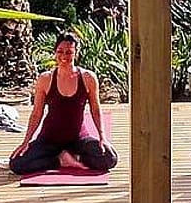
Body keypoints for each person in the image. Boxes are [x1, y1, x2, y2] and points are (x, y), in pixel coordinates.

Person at [8, 32, 117, 174]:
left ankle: (74, 157)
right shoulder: (45, 79)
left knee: (110, 158)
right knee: (17, 163)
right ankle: (60, 160)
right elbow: (36, 113)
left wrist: (102, 137)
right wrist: (26, 142)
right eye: (60, 51)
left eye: (69, 52)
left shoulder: (88, 78)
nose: (64, 56)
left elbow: (95, 110)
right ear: (55, 52)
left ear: (76, 53)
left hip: (78, 139)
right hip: (49, 139)